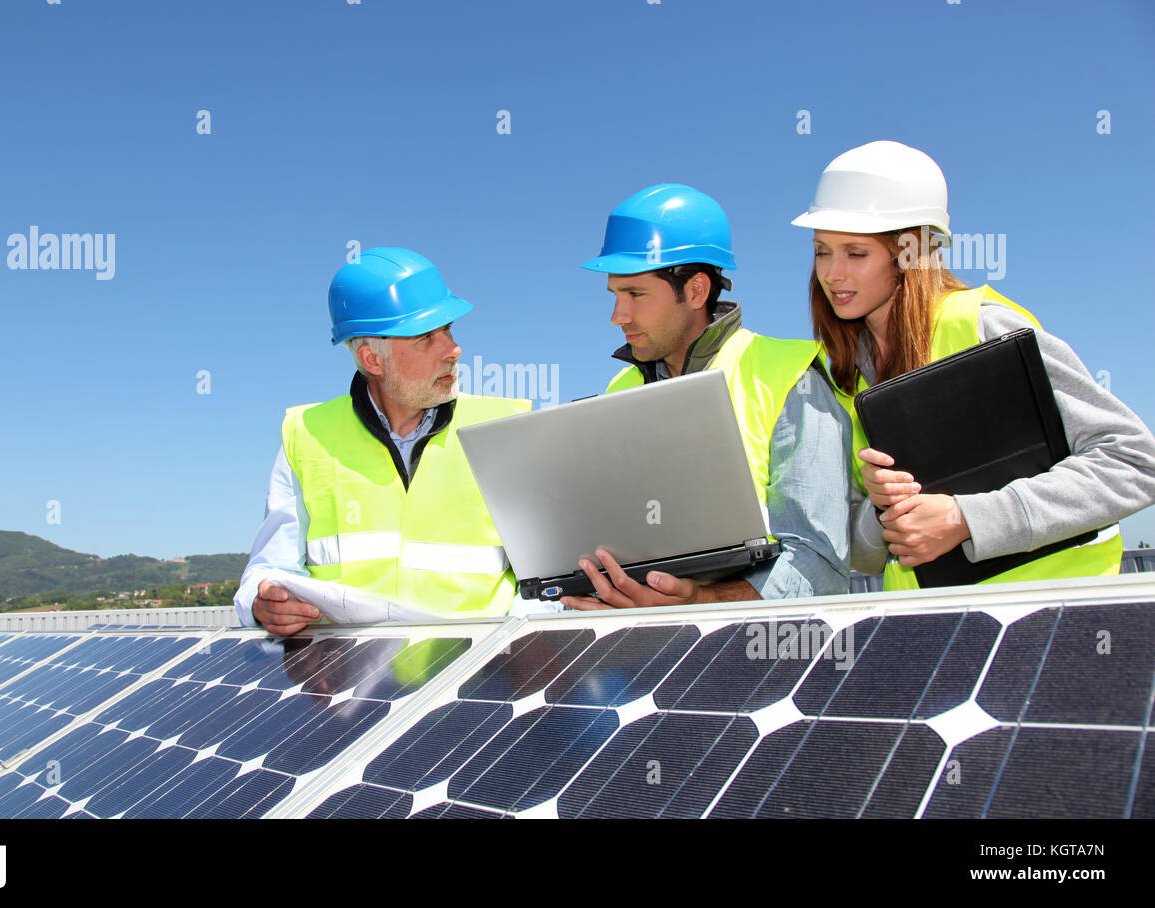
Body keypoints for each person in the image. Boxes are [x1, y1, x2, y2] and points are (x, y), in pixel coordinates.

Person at [794, 140, 1155, 589]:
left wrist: (966, 518)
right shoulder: (845, 378)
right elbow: (861, 556)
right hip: (930, 630)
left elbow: (1134, 462)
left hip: (1049, 622)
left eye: (856, 253)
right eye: (822, 251)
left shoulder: (985, 325)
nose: (831, 273)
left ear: (910, 253)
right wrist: (881, 511)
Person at [564, 183, 852, 611]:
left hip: (754, 658)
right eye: (615, 295)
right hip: (636, 652)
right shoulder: (618, 391)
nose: (617, 316)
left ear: (696, 291)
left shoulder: (788, 376)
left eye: (636, 295)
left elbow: (821, 566)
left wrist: (702, 601)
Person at [234, 247, 530, 633]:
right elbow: (270, 568)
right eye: (427, 338)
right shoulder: (306, 434)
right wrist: (262, 602)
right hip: (348, 680)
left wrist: (522, 639)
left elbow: (550, 577)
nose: (453, 351)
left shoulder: (505, 427)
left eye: (449, 331)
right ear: (373, 360)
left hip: (479, 678)